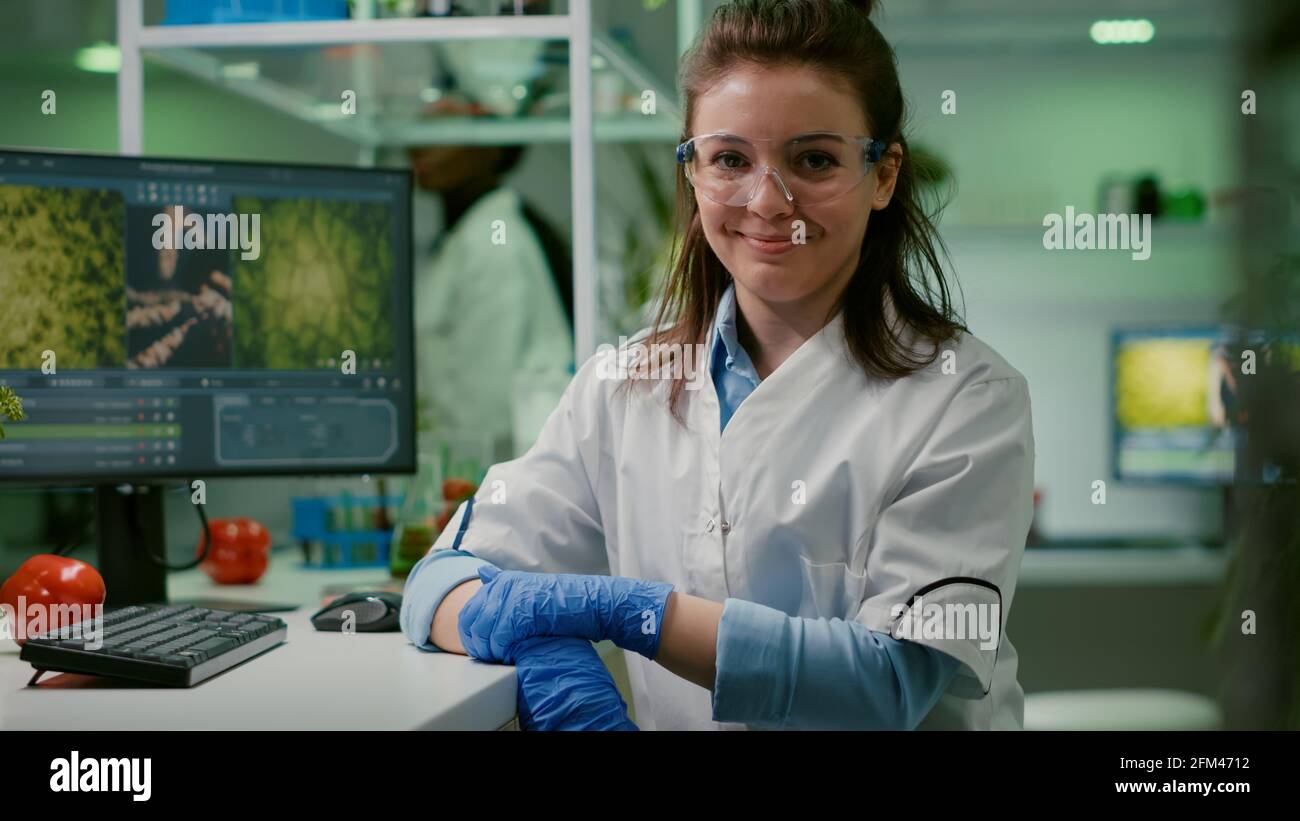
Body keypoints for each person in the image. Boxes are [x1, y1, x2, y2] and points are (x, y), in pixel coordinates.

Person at [401, 0, 1035, 731]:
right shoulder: (622, 388)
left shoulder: (966, 399)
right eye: (731, 159)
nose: (768, 201)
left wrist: (637, 615)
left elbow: (887, 683)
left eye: (815, 159)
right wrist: (542, 649)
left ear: (885, 173)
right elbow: (440, 580)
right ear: (694, 169)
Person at [410, 121, 573, 462]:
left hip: (494, 468)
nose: (422, 146)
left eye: (445, 130)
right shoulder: (468, 236)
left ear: (491, 147)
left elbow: (485, 410)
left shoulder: (492, 241)